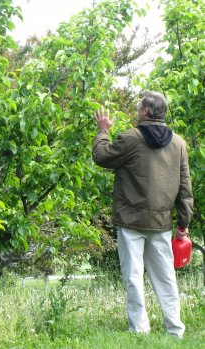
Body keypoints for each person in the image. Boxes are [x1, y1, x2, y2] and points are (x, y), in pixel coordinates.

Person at [92, 91, 193, 339]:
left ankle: (140, 330)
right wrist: (183, 224)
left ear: (146, 111)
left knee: (134, 276)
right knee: (166, 277)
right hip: (161, 222)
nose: (137, 111)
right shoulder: (178, 143)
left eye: (139, 107)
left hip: (131, 222)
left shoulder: (130, 138)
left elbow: (102, 156)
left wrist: (103, 131)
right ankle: (175, 329)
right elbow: (185, 187)